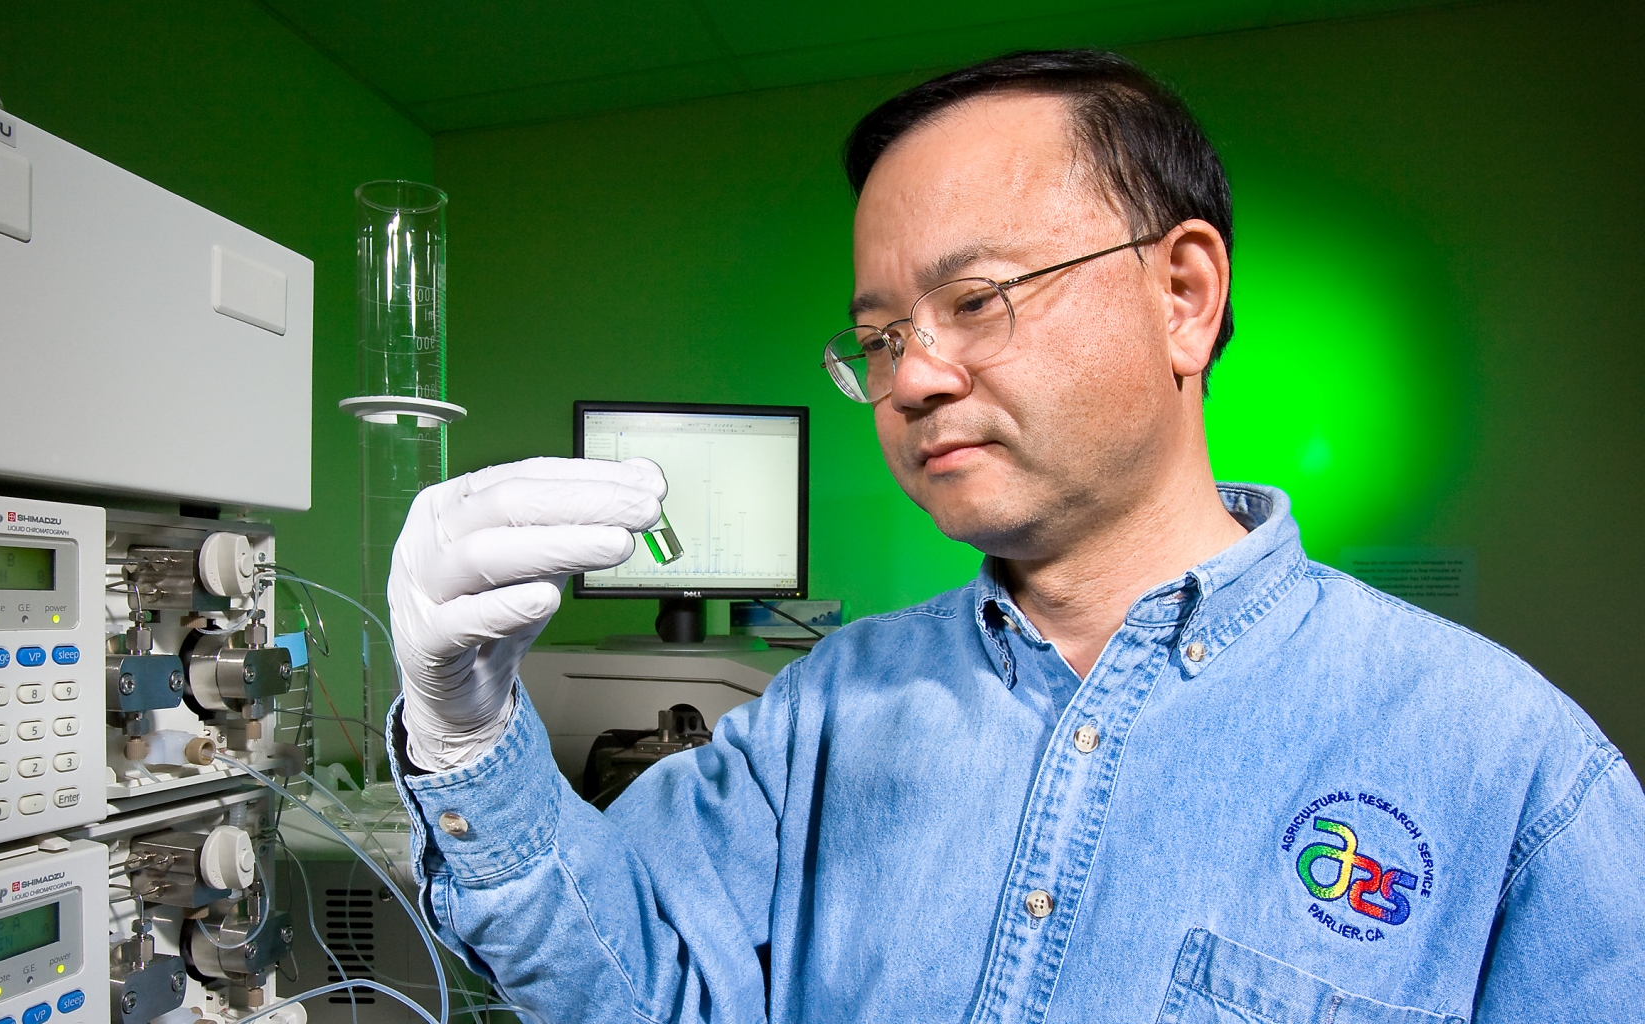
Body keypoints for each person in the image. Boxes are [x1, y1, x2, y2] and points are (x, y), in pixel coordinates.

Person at [384, 50, 1645, 1023]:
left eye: (975, 300)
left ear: (1183, 296)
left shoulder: (1509, 768)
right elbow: (634, 988)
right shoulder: (827, 710)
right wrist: (464, 734)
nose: (915, 378)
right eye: (880, 337)